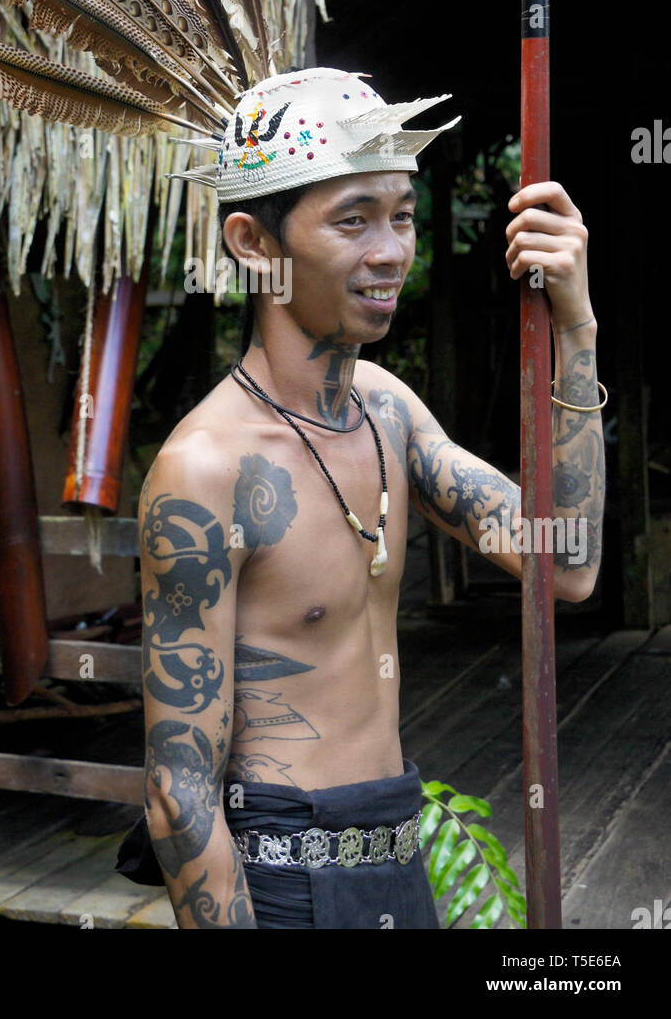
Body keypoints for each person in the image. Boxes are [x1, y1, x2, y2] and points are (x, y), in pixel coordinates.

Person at [116, 67, 605, 929]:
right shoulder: (204, 469)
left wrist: (577, 330)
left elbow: (565, 566)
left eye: (401, 216)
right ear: (253, 241)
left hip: (397, 858)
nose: (391, 250)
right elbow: (178, 794)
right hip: (283, 885)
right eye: (353, 221)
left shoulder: (390, 413)